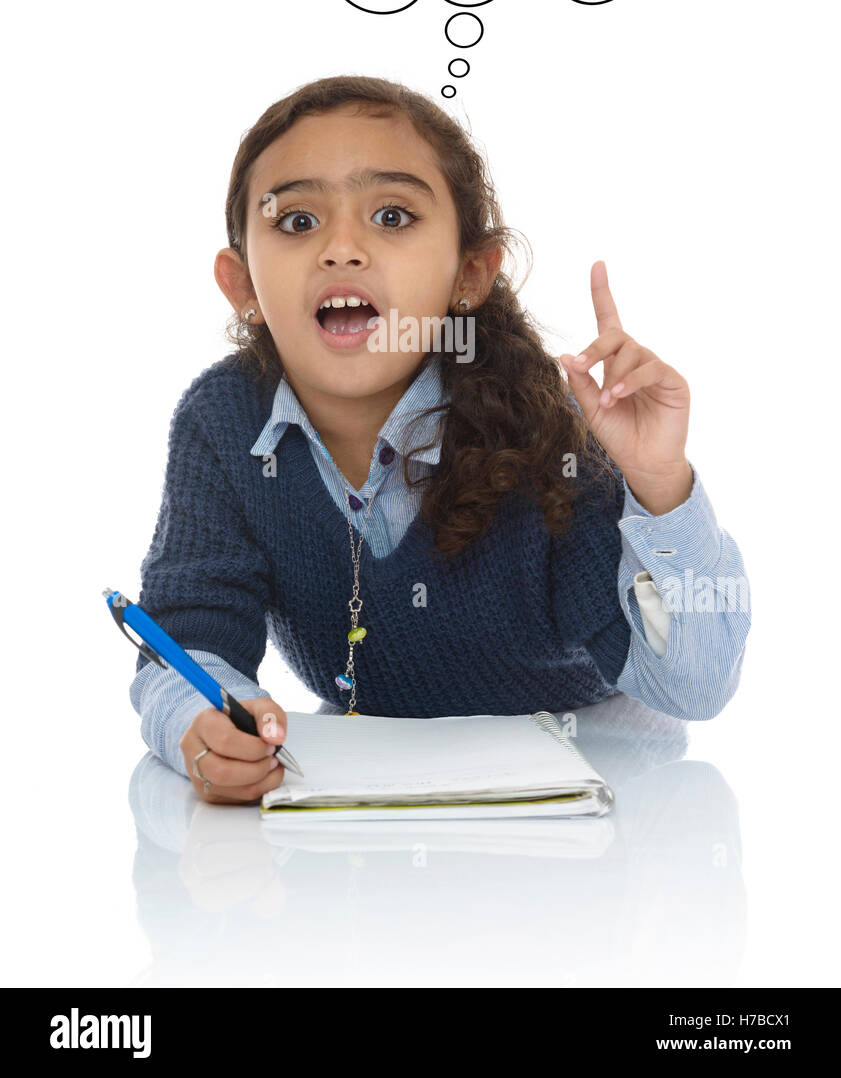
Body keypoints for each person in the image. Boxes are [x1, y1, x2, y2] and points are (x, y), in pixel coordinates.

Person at [130, 74, 751, 803]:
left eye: (391, 215)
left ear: (468, 274)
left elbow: (697, 686)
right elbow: (187, 638)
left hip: (597, 782)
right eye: (297, 222)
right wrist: (200, 724)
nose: (341, 248)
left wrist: (658, 481)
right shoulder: (222, 419)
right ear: (241, 286)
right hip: (372, 791)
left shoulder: (541, 422)